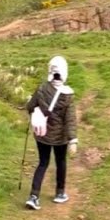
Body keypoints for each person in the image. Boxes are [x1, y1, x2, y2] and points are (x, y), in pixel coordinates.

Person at [24, 55, 77, 210]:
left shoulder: (41, 88)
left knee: (43, 163)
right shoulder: (68, 95)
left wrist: (35, 108)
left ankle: (33, 197)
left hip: (42, 135)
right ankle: (60, 193)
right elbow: (70, 120)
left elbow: (30, 107)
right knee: (61, 162)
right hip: (60, 138)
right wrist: (73, 140)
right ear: (64, 73)